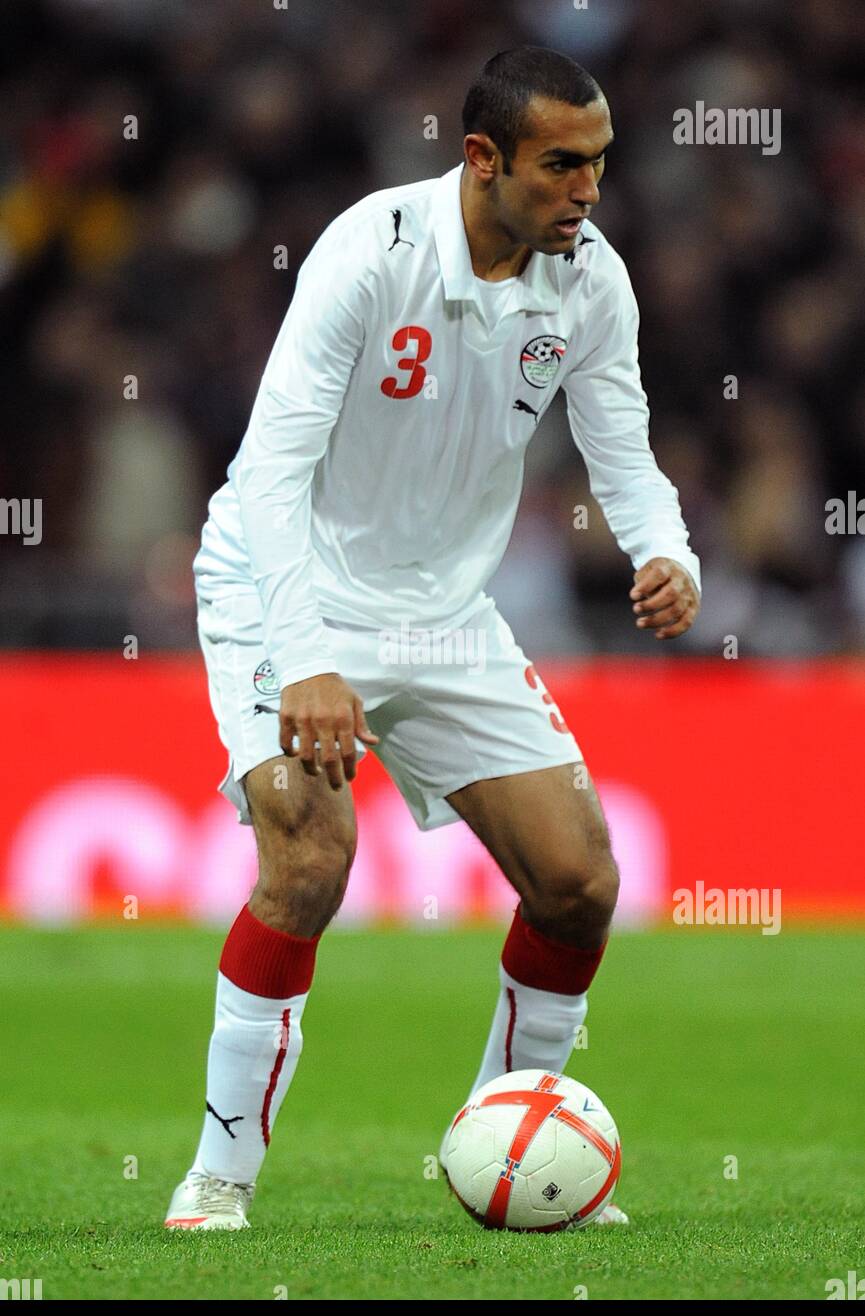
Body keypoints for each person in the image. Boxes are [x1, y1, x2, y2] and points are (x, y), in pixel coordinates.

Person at [165, 45, 700, 1231]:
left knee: (577, 883)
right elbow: (267, 474)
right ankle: (219, 1177)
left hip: (447, 615)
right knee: (306, 857)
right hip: (282, 585)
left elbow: (624, 445)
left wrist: (666, 550)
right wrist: (303, 656)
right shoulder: (372, 251)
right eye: (563, 166)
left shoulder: (590, 278)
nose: (589, 192)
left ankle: (501, 1145)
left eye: (600, 165)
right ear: (483, 158)